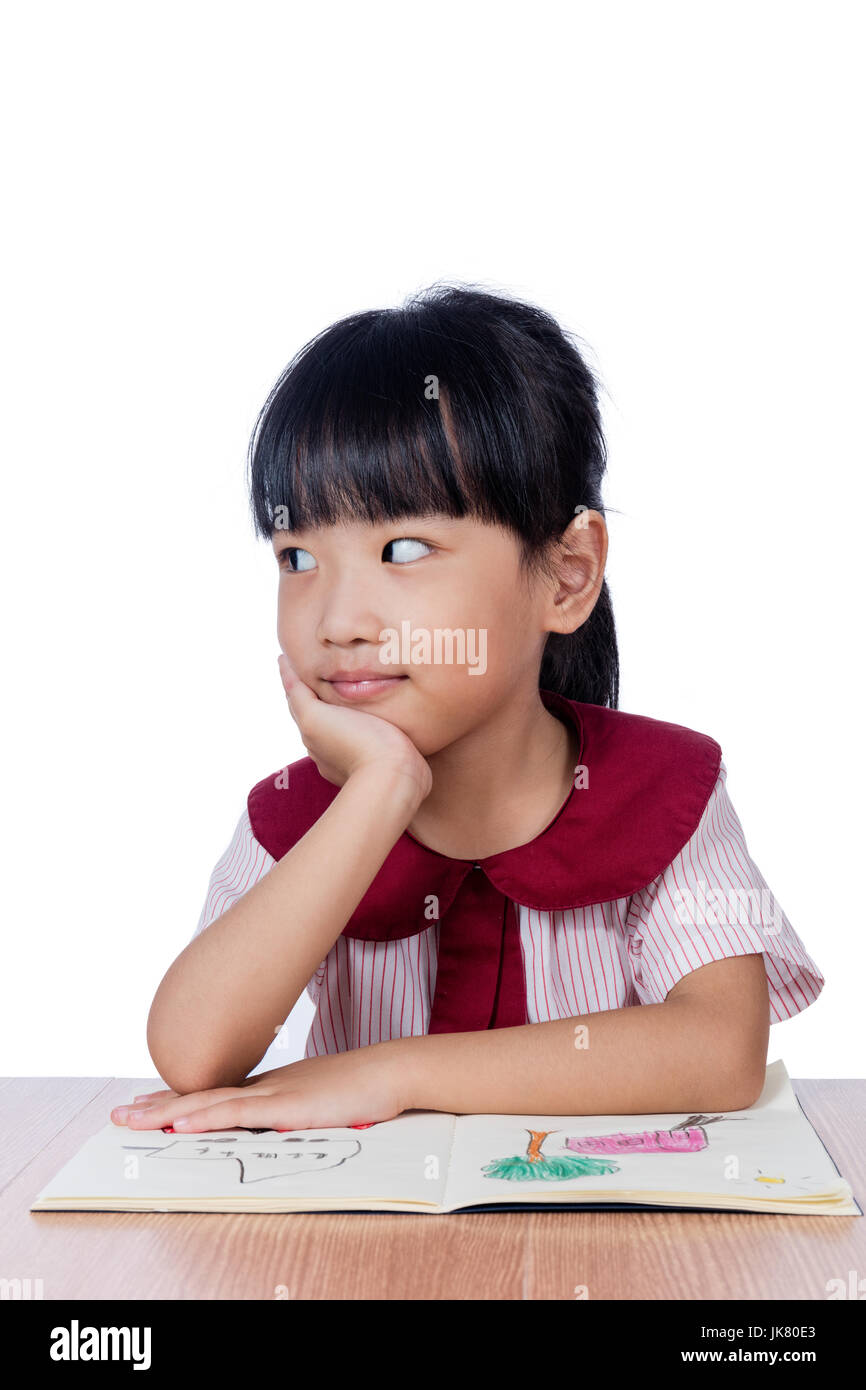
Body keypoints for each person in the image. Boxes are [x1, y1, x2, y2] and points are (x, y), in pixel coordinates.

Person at [112, 282, 823, 1135]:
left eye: (403, 548)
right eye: (297, 555)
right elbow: (193, 1056)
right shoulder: (292, 816)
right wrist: (379, 790)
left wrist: (393, 1074)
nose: (338, 622)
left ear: (567, 574)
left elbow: (720, 1050)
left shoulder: (666, 788)